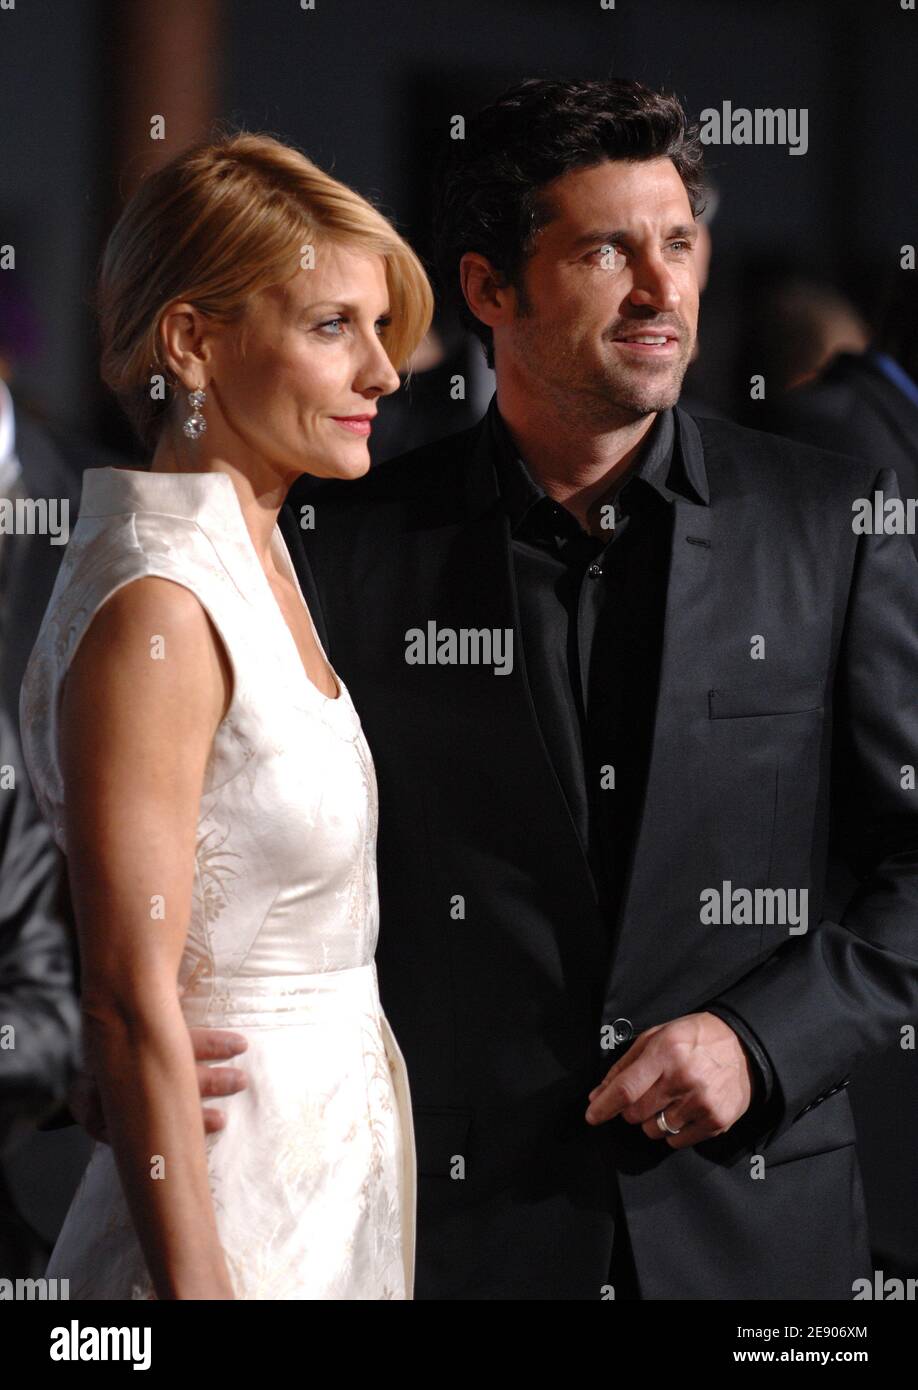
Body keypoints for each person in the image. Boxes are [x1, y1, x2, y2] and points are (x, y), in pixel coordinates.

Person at [80, 78, 918, 1300]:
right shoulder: (343, 545)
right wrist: (97, 1052)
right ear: (488, 290)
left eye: (679, 243)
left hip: (756, 1242)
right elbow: (186, 839)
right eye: (607, 250)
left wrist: (761, 1040)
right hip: (449, 1238)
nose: (661, 288)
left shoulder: (834, 526)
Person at [18, 132, 433, 1299]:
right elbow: (128, 993)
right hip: (224, 1229)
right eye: (331, 325)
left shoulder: (256, 552)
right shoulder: (161, 595)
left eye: (381, 328)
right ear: (193, 342)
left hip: (323, 1192)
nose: (383, 373)